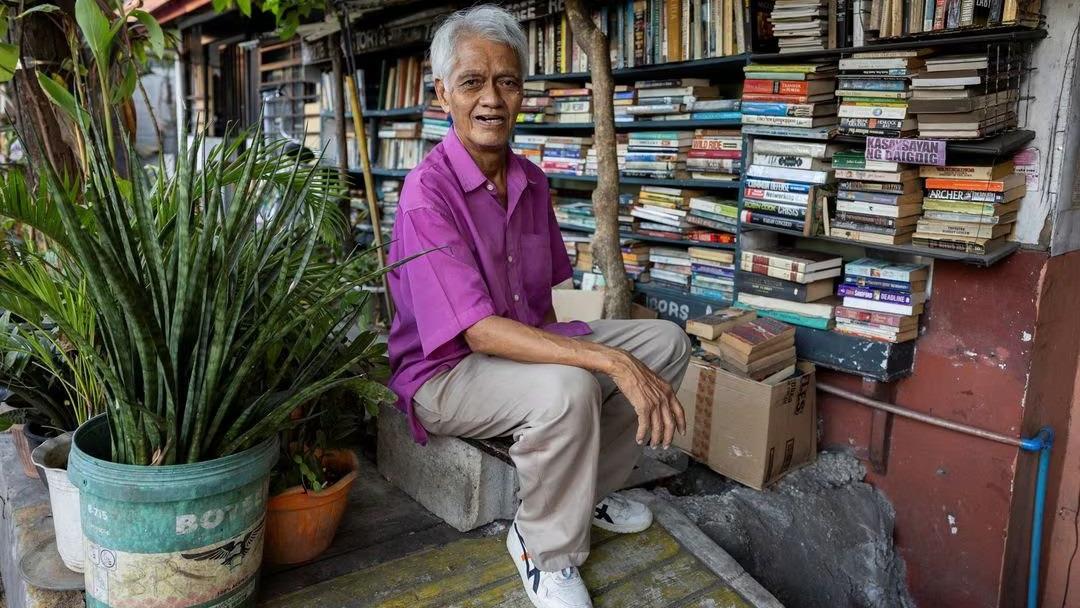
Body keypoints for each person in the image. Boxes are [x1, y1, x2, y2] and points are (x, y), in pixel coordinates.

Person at [385, 5, 692, 607]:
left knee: (665, 344)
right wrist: (603, 363)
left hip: (518, 345)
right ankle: (543, 549)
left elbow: (541, 304)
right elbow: (475, 333)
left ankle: (583, 493)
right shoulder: (427, 194)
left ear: (523, 92)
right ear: (442, 92)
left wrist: (603, 356)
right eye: (472, 82)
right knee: (569, 389)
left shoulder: (531, 180)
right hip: (444, 371)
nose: (491, 99)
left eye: (507, 81)